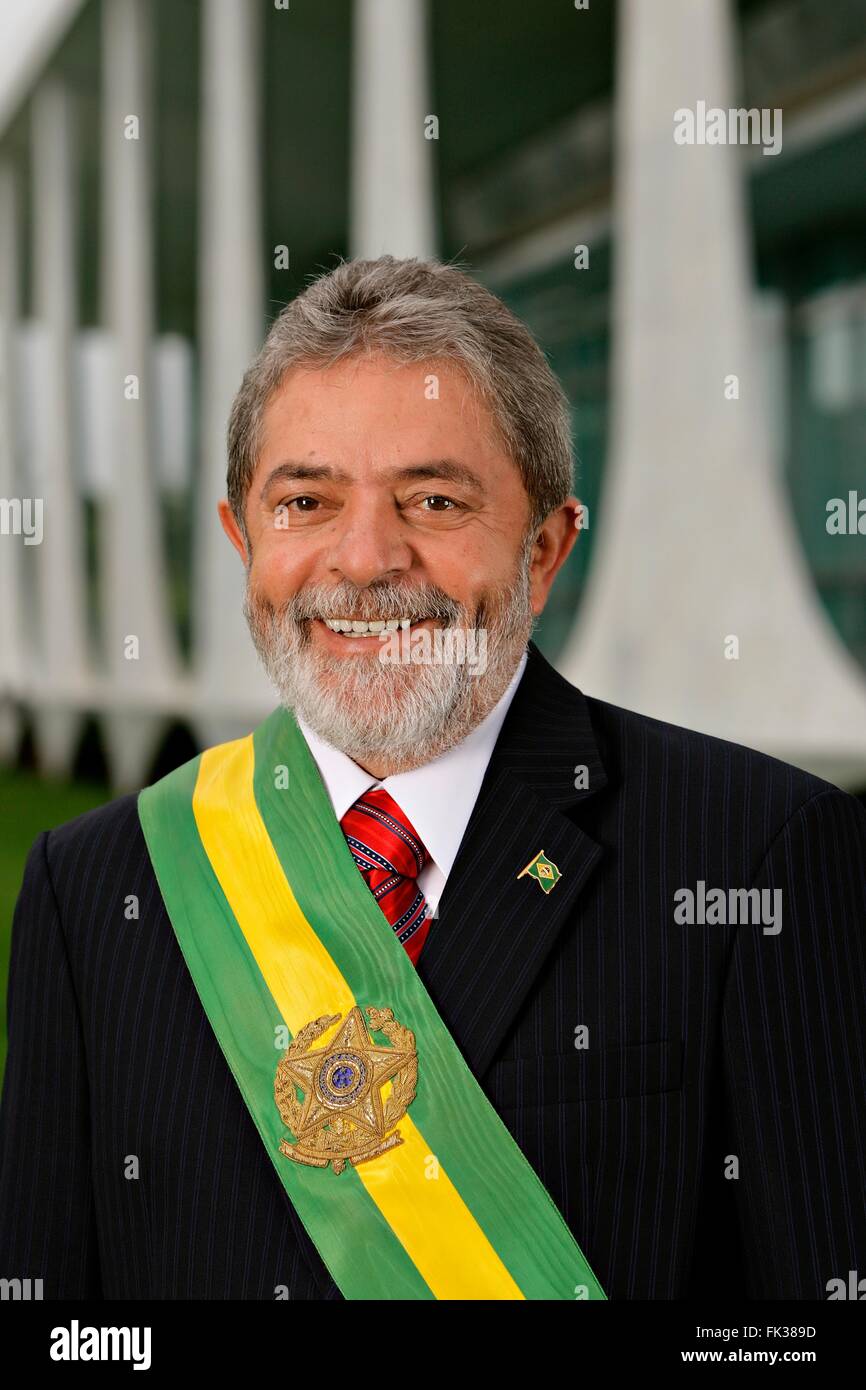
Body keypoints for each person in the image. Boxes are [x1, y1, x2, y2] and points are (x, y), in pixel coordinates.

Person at [1, 256, 864, 1301]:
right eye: (306, 500)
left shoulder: (761, 852)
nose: (364, 561)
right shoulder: (92, 890)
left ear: (543, 549)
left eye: (434, 499)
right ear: (241, 541)